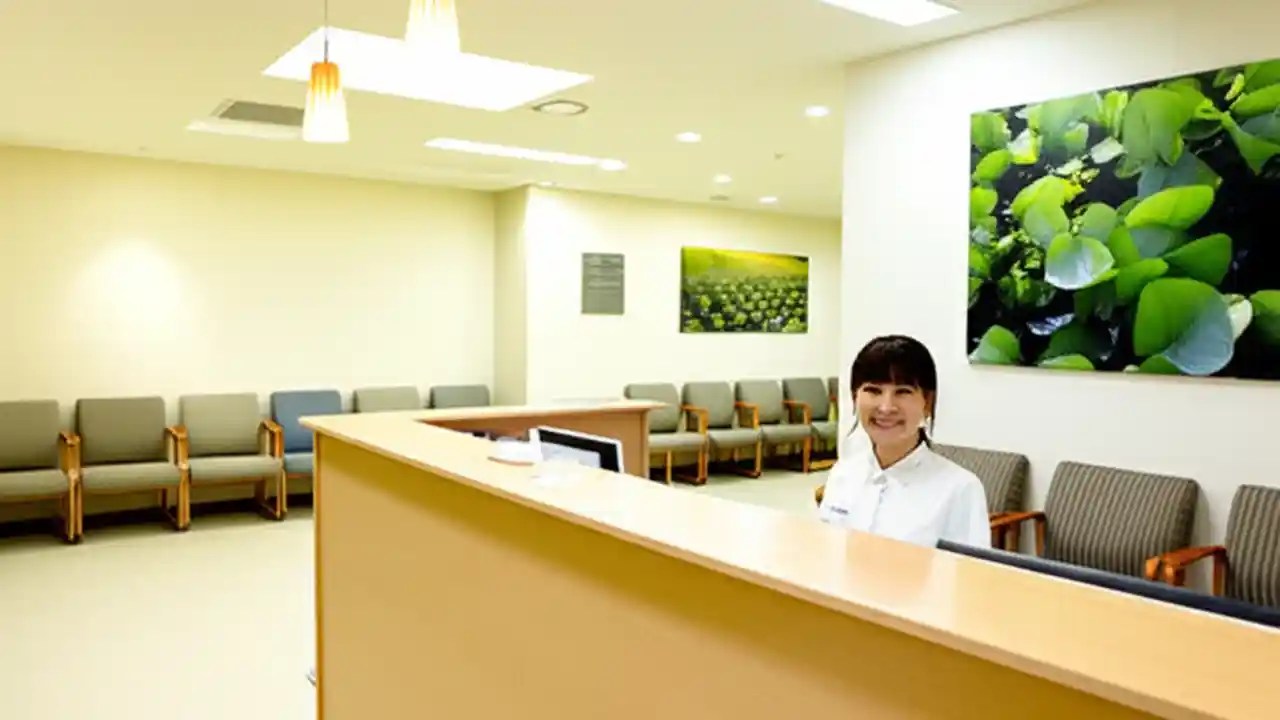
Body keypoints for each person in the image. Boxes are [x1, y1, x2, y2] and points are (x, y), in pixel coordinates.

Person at [816, 335, 990, 548]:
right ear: (855, 397)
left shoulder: (961, 488)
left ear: (927, 402)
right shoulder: (843, 472)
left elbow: (969, 569)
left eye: (903, 392)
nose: (886, 407)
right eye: (873, 390)